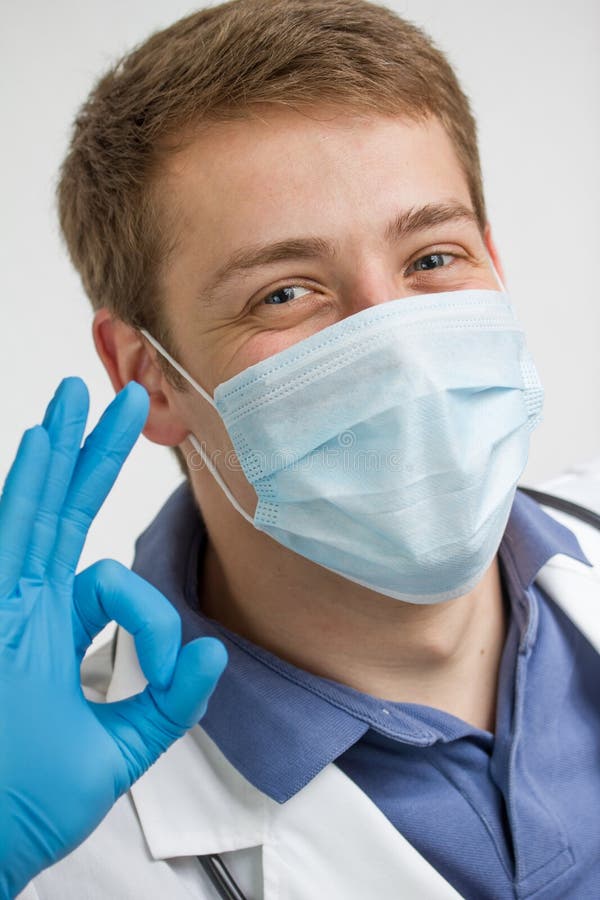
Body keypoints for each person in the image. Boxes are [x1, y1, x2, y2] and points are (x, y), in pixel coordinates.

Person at [1, 0, 599, 897]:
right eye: (285, 293)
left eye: (433, 259)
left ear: (494, 266)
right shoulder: (56, 830)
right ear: (151, 376)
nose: (395, 340)